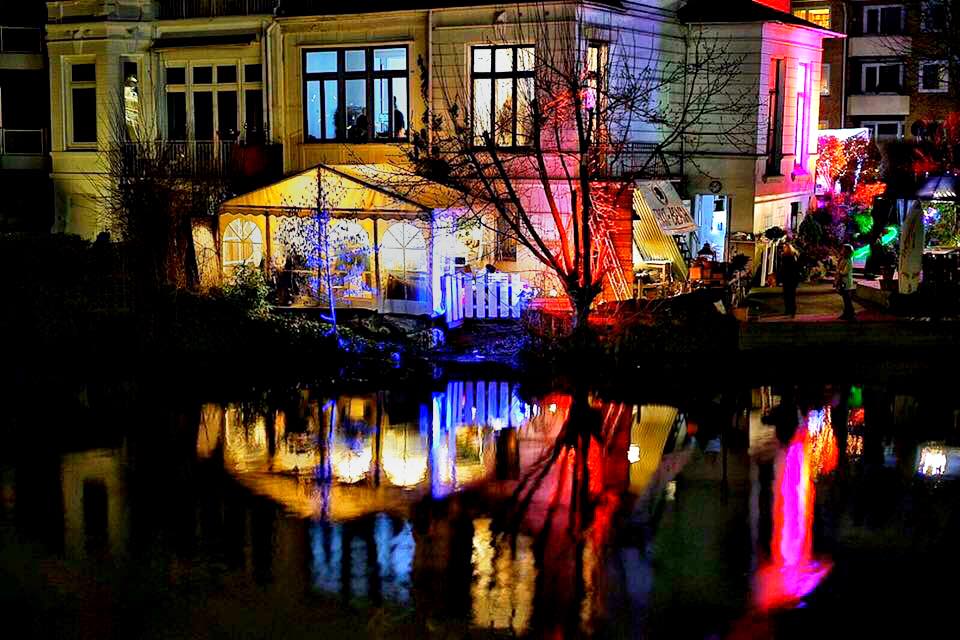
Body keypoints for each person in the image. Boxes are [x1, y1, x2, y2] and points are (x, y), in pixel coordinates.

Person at [835, 244, 856, 320]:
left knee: (847, 299)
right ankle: (847, 313)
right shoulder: (843, 259)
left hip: (846, 282)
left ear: (847, 251)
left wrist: (838, 271)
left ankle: (850, 313)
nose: (842, 251)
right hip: (842, 281)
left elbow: (845, 272)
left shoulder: (849, 260)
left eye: (843, 249)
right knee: (845, 298)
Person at [779, 243, 800, 317]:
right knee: (789, 295)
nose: (783, 248)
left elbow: (784, 268)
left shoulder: (788, 257)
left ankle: (790, 310)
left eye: (785, 247)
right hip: (790, 278)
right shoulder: (792, 256)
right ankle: (790, 310)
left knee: (789, 295)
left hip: (789, 278)